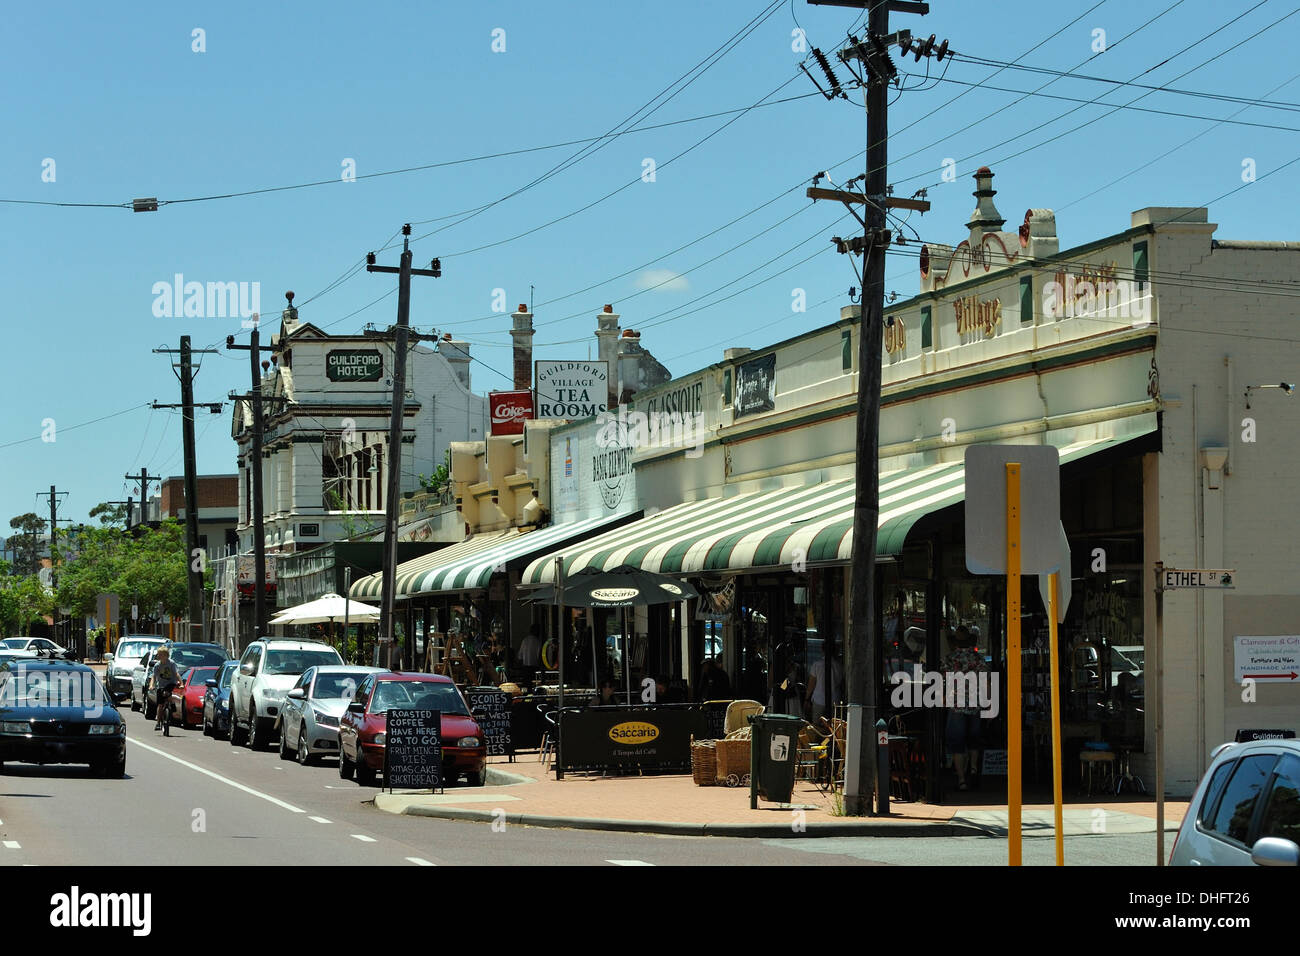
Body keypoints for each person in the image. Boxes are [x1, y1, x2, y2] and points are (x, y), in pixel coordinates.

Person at [941, 624, 987, 791]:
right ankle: (973, 768)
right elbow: (985, 682)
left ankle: (961, 779)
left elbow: (943, 680)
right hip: (975, 702)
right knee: (974, 739)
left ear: (955, 643)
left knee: (956, 742)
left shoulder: (950, 659)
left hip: (956, 704)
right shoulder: (978, 659)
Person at [805, 646, 843, 725]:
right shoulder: (839, 666)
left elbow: (811, 685)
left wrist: (807, 699)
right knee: (833, 726)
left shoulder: (816, 665)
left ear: (822, 650)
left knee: (816, 726)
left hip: (819, 700)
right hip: (835, 700)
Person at [152, 647, 183, 736]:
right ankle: (158, 722)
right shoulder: (157, 665)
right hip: (161, 685)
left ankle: (171, 703)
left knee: (167, 692)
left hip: (170, 684)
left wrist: (181, 683)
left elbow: (176, 674)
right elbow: (154, 677)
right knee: (160, 704)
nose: (158, 656)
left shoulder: (171, 663)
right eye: (158, 654)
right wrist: (151, 685)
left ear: (166, 656)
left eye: (160, 654)